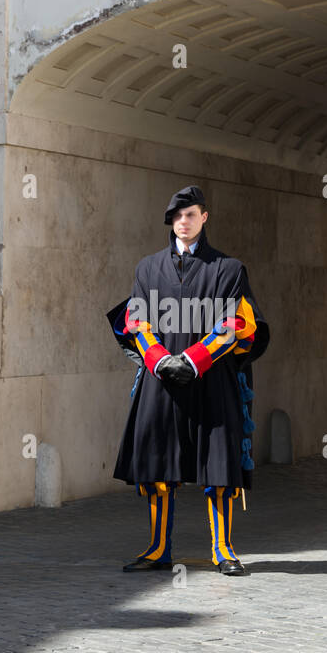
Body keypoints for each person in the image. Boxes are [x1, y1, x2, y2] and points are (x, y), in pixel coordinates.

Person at [106, 185, 270, 576]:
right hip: (160, 381)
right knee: (159, 466)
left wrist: (194, 361)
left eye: (191, 214)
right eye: (178, 217)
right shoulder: (147, 268)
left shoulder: (229, 269)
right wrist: (160, 360)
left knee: (219, 468)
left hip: (211, 380)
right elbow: (136, 320)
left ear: (204, 217)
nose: (184, 222)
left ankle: (223, 550)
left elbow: (236, 323)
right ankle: (158, 548)